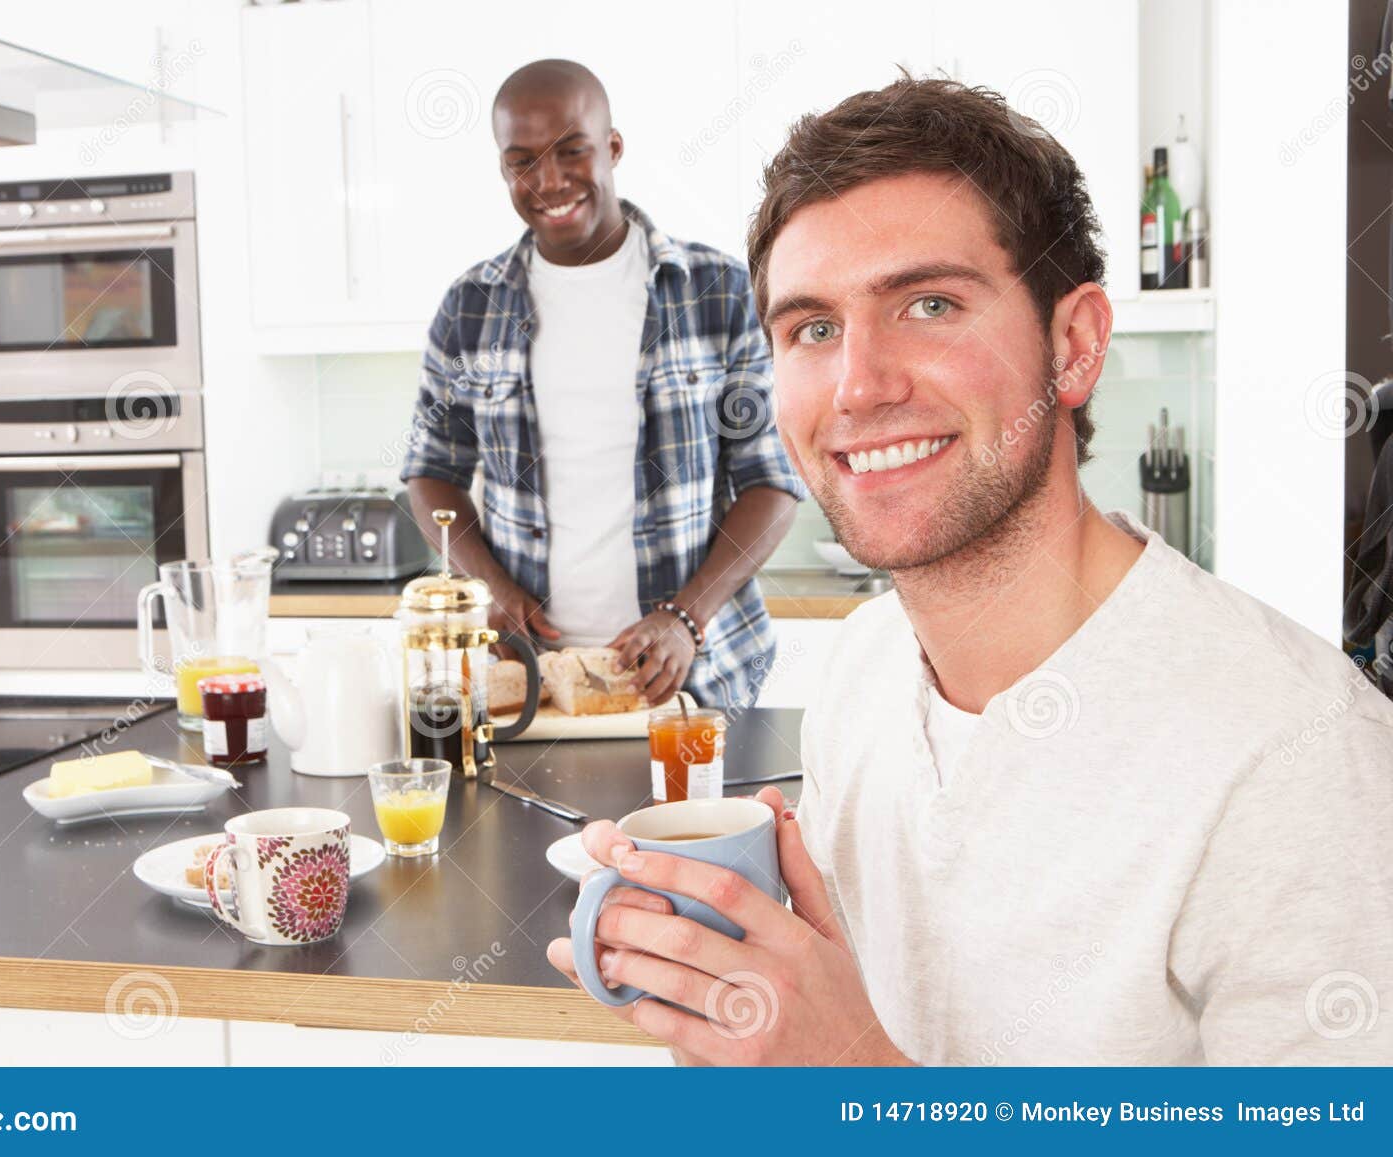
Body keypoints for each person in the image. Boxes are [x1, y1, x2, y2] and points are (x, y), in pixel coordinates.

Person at [547, 75, 1393, 1065]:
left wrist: (849, 1082)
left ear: (1072, 346)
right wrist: (727, 1010)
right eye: (812, 328)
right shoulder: (863, 669)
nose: (860, 385)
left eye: (929, 302)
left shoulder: (1298, 763)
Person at [399, 59, 804, 710]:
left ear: (612, 148)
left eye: (572, 151)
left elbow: (772, 481)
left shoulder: (717, 291)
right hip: (532, 683)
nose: (548, 180)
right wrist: (495, 591)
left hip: (694, 680)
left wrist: (686, 617)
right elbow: (430, 475)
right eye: (521, 161)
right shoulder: (471, 307)